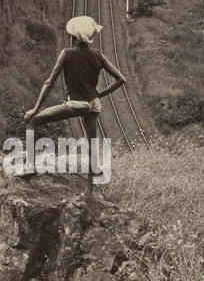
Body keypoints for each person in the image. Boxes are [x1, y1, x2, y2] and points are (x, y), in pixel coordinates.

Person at [21, 15, 128, 193]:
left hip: (77, 103)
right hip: (93, 104)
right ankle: (90, 193)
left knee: (32, 121)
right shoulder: (98, 55)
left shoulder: (67, 54)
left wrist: (36, 108)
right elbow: (120, 79)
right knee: (92, 145)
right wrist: (99, 94)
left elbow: (49, 82)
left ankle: (30, 168)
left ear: (75, 37)